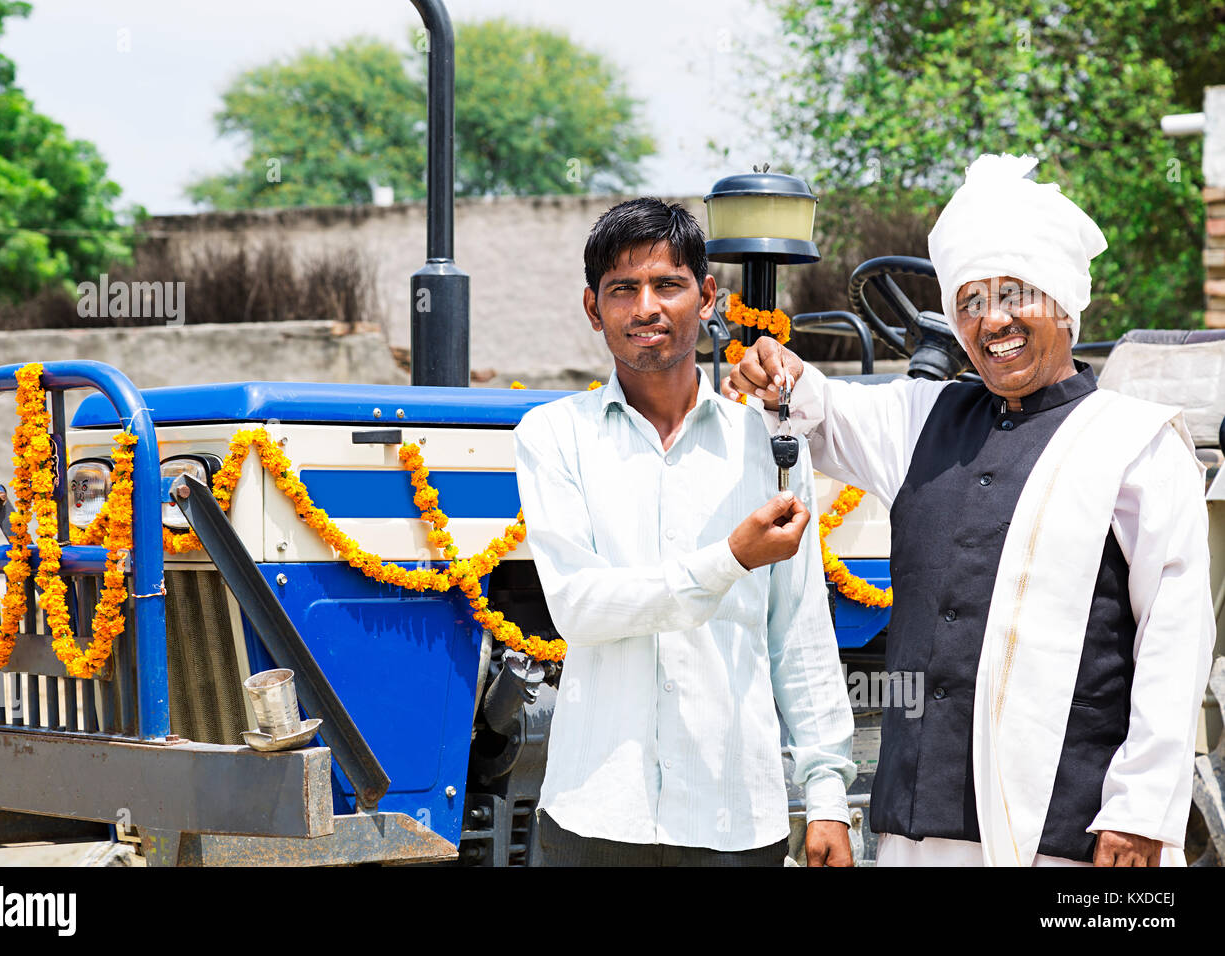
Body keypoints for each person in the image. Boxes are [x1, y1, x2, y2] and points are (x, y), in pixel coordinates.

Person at [724, 154, 1215, 867]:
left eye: (1015, 294)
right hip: (915, 837)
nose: (993, 321)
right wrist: (779, 370)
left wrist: (1141, 810)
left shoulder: (1134, 443)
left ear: (1065, 307)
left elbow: (1175, 641)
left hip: (1070, 839)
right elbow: (815, 405)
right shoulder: (921, 416)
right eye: (971, 302)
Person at [513, 198, 856, 866]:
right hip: (595, 816)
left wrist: (825, 796)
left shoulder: (769, 441)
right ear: (594, 309)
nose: (646, 308)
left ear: (705, 298)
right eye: (623, 290)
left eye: (667, 285)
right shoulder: (555, 437)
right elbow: (579, 608)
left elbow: (800, 630)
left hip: (734, 817)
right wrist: (728, 560)